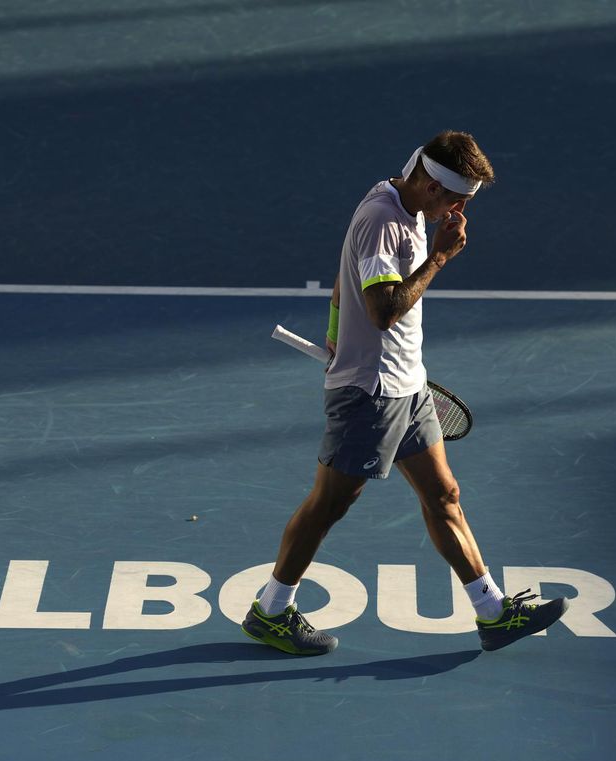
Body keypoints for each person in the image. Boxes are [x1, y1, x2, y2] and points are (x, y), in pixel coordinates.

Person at [241, 130, 568, 655]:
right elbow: (384, 311)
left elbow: (343, 282)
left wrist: (334, 329)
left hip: (408, 385)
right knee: (330, 504)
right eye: (457, 199)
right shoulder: (382, 220)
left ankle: (493, 613)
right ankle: (271, 611)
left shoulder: (406, 204)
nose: (460, 210)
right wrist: (439, 259)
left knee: (444, 495)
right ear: (431, 185)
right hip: (371, 391)